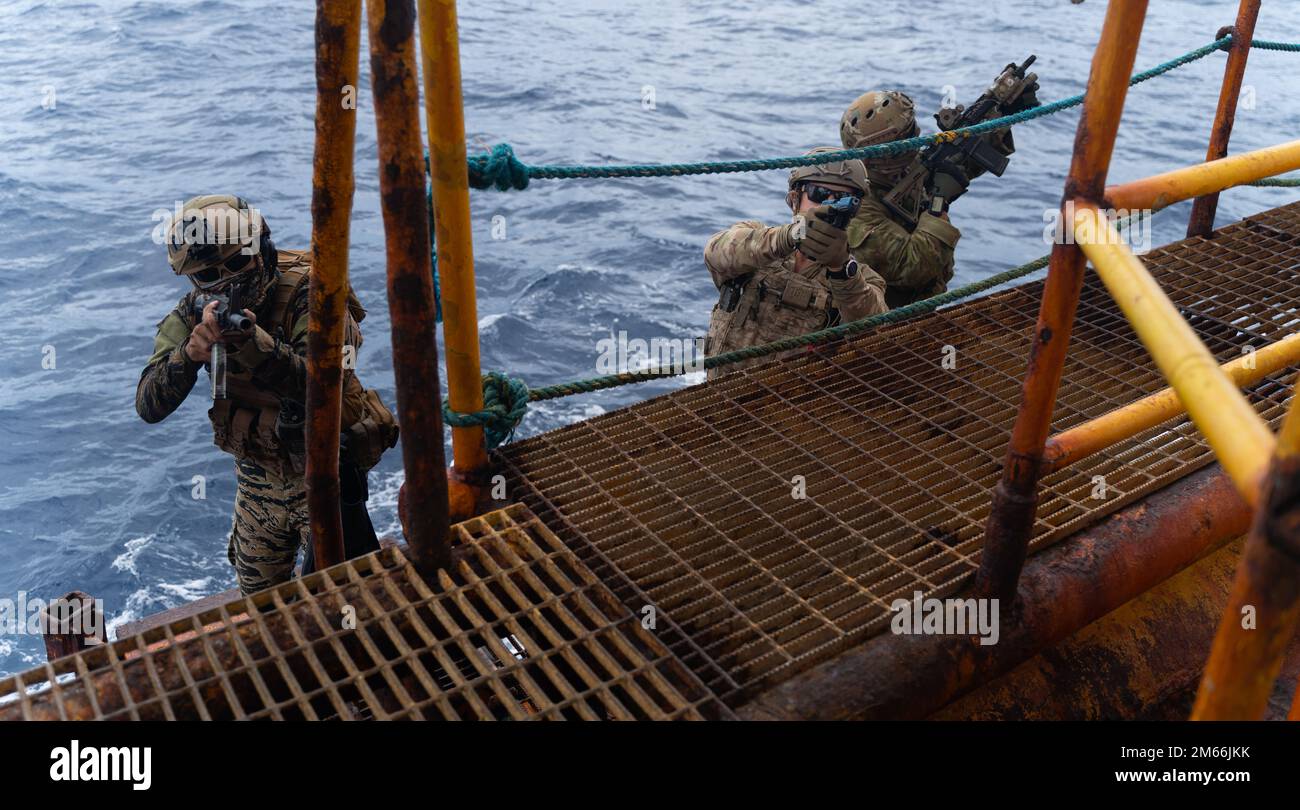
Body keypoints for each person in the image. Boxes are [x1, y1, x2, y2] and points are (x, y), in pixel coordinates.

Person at [136, 194, 398, 594]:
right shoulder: (195, 311)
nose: (226, 281)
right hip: (257, 478)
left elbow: (324, 390)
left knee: (344, 595)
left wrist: (251, 343)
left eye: (237, 263)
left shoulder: (313, 291)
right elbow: (148, 405)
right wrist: (188, 355)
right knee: (260, 602)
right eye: (209, 276)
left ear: (262, 249)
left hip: (324, 469)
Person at [703, 148, 887, 380]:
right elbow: (715, 252)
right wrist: (789, 236)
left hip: (793, 409)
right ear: (794, 198)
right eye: (818, 193)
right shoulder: (759, 244)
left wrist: (841, 268)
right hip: (719, 396)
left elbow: (874, 338)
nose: (827, 206)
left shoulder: (862, 279)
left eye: (841, 199)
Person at [839, 90, 962, 308]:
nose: (915, 138)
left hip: (920, 309)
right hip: (884, 324)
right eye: (907, 136)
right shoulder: (856, 209)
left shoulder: (902, 170)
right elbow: (914, 267)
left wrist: (1001, 117)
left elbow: (963, 162)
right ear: (890, 152)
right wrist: (938, 204)